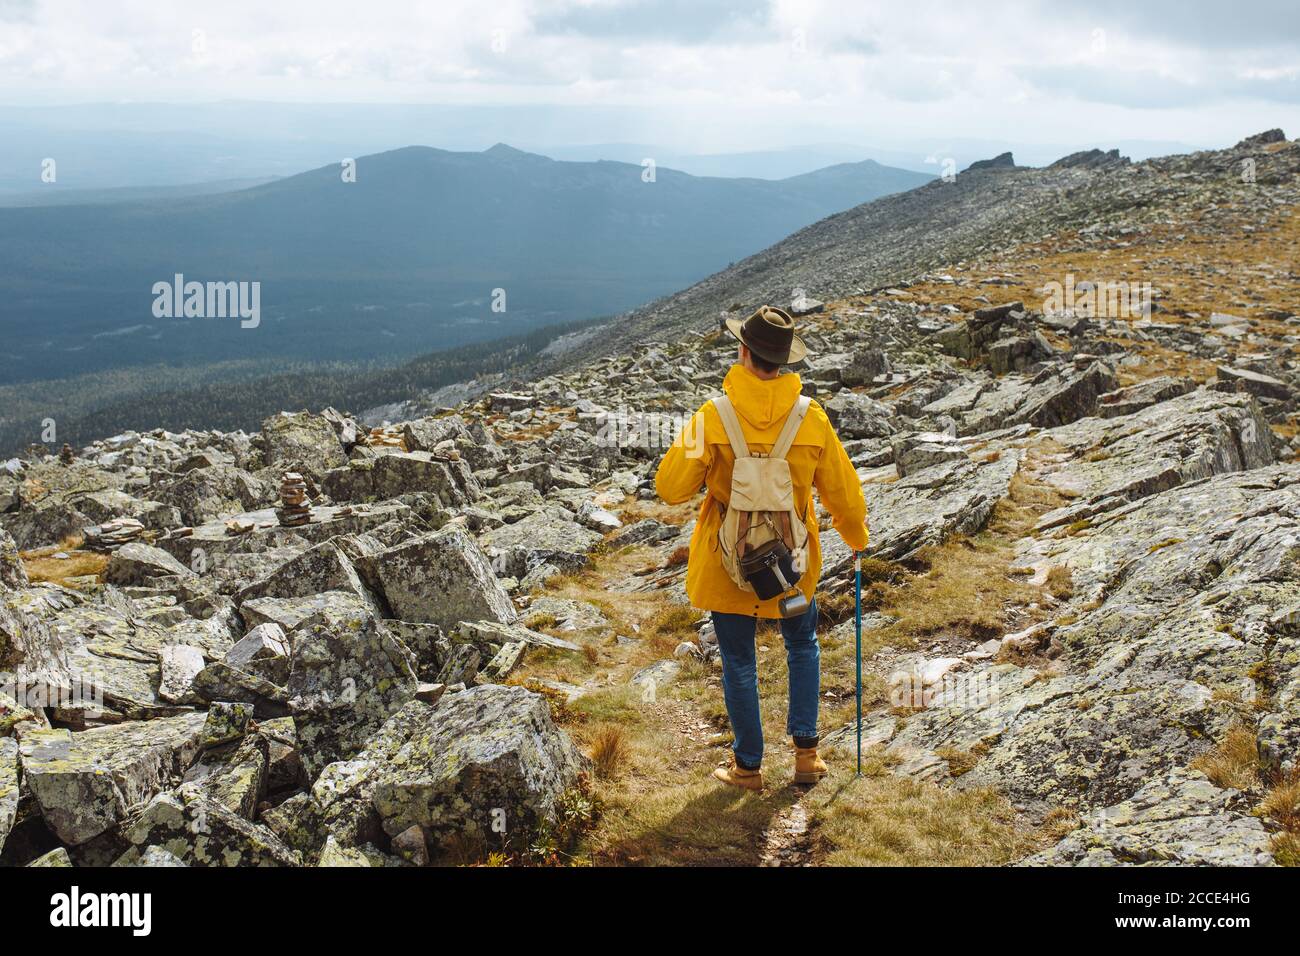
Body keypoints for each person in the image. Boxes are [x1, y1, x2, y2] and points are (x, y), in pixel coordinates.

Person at [655, 305, 869, 791]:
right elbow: (843, 491)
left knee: (738, 660)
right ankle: (806, 757)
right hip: (792, 561)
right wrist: (856, 539)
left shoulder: (714, 416)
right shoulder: (809, 417)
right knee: (801, 644)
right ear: (784, 361)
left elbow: (670, 487)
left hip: (729, 562)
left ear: (742, 352)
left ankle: (747, 767)